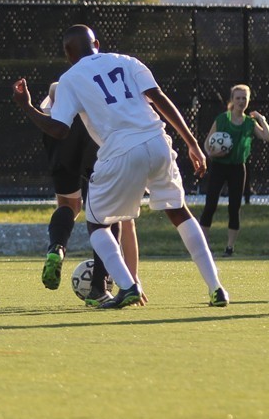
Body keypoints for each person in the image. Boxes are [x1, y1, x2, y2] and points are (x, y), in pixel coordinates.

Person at [13, 25, 228, 308]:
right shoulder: (127, 61)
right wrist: (192, 143)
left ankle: (127, 286)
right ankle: (217, 288)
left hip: (121, 150)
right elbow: (159, 98)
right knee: (179, 212)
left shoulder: (70, 78)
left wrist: (27, 106)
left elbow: (59, 130)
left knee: (97, 224)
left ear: (68, 54)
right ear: (97, 44)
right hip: (157, 141)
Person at [36, 82, 138, 304]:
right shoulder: (112, 83)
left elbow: (53, 89)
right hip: (92, 137)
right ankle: (99, 288)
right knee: (110, 214)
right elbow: (128, 225)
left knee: (68, 205)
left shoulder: (71, 79)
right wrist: (133, 280)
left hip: (56, 132)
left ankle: (57, 248)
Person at [199, 84, 269, 257]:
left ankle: (230, 247)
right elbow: (207, 144)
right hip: (219, 166)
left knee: (234, 207)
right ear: (232, 100)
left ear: (248, 100)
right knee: (210, 205)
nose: (241, 101)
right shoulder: (222, 119)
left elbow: (268, 137)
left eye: (244, 98)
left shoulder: (249, 123)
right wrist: (212, 153)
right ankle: (204, 246)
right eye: (238, 98)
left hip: (238, 168)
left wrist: (261, 119)